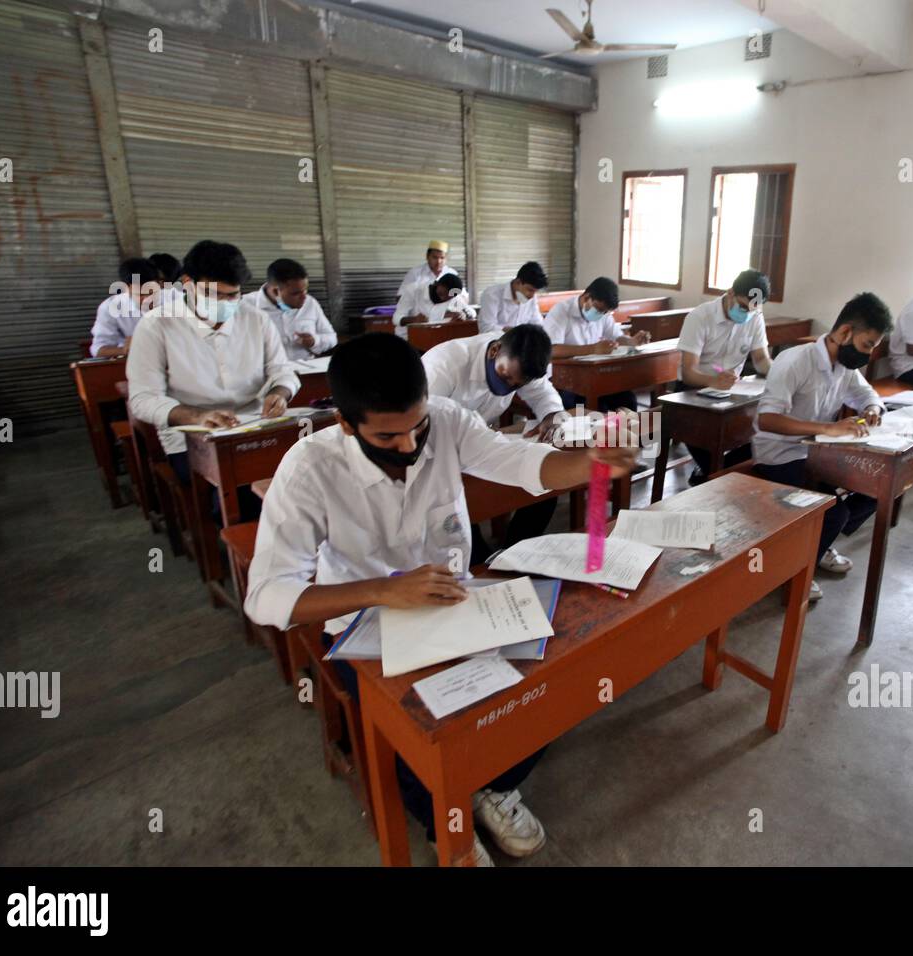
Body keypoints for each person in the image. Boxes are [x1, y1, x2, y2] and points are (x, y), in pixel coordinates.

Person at [243, 332, 639, 866]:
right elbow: (266, 597)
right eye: (387, 437)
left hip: (458, 602)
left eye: (417, 427)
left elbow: (520, 463)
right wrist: (385, 589)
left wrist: (593, 464)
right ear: (345, 423)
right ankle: (443, 823)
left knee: (552, 680)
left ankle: (492, 787)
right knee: (421, 728)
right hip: (368, 626)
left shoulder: (448, 420)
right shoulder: (309, 468)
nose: (409, 446)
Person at [125, 240, 299, 507]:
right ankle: (242, 545)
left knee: (301, 478)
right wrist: (200, 416)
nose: (226, 303)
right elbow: (143, 399)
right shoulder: (156, 326)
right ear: (187, 282)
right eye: (215, 294)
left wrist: (279, 393)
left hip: (253, 425)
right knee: (243, 495)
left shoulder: (255, 319)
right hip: (191, 435)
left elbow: (282, 370)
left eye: (233, 295)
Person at [753, 292, 893, 601]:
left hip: (817, 453)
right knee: (834, 512)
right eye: (866, 345)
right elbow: (768, 420)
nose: (868, 355)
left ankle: (817, 544)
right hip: (779, 454)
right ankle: (794, 576)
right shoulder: (796, 361)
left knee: (876, 489)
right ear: (845, 333)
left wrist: (872, 409)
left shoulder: (844, 366)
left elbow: (869, 396)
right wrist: (828, 428)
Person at [422, 325, 566, 563]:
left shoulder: (519, 364)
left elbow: (543, 394)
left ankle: (513, 553)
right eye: (505, 377)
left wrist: (551, 415)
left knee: (546, 484)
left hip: (484, 443)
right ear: (494, 350)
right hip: (441, 451)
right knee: (466, 505)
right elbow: (424, 427)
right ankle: (480, 560)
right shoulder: (445, 365)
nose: (509, 387)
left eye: (516, 385)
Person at [676, 269, 774, 482]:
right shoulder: (700, 317)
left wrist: (781, 374)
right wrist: (713, 381)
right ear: (730, 293)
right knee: (712, 451)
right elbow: (688, 373)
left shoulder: (754, 317)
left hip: (731, 394)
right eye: (742, 307)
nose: (746, 314)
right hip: (692, 395)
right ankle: (716, 476)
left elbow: (761, 360)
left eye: (751, 310)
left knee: (764, 437)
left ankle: (713, 475)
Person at [543, 276, 651, 413]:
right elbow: (552, 350)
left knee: (627, 400)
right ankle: (597, 432)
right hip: (562, 378)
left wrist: (633, 341)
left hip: (593, 375)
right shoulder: (561, 311)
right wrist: (593, 349)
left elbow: (617, 337)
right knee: (588, 406)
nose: (602, 314)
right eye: (599, 310)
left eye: (606, 312)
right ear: (587, 297)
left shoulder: (603, 314)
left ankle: (622, 433)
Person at [241, 258, 337, 361]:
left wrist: (314, 341)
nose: (304, 297)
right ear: (275, 291)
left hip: (306, 371)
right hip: (266, 374)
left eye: (305, 291)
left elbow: (331, 337)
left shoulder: (310, 303)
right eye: (295, 293)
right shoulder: (245, 306)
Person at [89, 257, 160, 357]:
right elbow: (98, 349)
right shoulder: (110, 308)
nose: (147, 299)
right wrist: (126, 349)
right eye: (140, 294)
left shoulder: (175, 300)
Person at [394, 272, 474, 338]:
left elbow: (472, 312)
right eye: (441, 294)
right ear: (436, 284)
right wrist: (414, 320)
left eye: (448, 298)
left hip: (431, 338)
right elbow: (396, 318)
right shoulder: (413, 290)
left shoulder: (453, 295)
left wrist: (463, 315)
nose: (443, 299)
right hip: (407, 339)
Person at [478, 261, 547, 334]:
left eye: (535, 291)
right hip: (494, 342)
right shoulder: (492, 294)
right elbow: (486, 328)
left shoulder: (532, 297)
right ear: (518, 282)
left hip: (521, 343)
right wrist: (516, 332)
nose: (532, 296)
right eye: (530, 290)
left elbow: (538, 324)